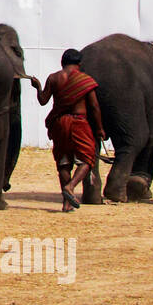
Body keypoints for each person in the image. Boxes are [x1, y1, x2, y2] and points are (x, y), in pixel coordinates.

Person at [31, 49, 106, 211]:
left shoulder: (53, 78)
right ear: (79, 63)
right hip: (79, 122)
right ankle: (70, 186)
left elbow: (43, 101)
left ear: (62, 62)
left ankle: (66, 204)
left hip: (59, 123)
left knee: (63, 163)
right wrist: (100, 128)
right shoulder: (85, 80)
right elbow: (94, 106)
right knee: (87, 159)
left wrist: (38, 87)